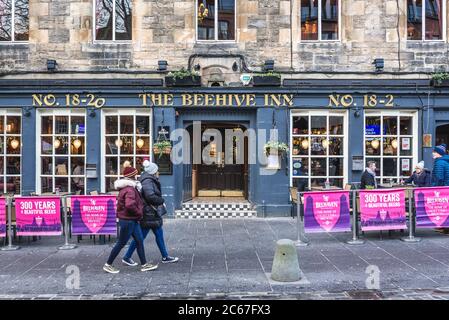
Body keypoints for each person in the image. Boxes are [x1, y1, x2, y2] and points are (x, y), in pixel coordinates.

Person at [122, 160, 179, 266]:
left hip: (151, 212)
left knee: (157, 233)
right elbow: (150, 196)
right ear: (153, 171)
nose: (158, 172)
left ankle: (165, 256)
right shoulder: (148, 181)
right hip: (149, 212)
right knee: (141, 237)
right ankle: (127, 256)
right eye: (157, 170)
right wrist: (161, 200)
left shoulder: (148, 179)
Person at [103, 166, 158, 274]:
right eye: (135, 174)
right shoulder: (130, 190)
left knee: (139, 240)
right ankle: (108, 264)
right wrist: (139, 212)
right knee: (121, 243)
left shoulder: (127, 188)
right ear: (132, 176)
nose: (137, 176)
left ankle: (144, 264)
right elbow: (129, 205)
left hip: (131, 220)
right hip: (128, 220)